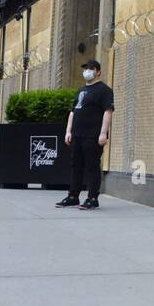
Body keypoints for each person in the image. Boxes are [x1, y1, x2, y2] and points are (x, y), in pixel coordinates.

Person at [55, 60, 113, 211]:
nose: (87, 71)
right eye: (85, 68)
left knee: (91, 166)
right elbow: (73, 112)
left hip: (92, 135)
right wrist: (68, 131)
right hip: (77, 134)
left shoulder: (104, 90)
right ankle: (73, 196)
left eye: (90, 68)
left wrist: (103, 133)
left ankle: (92, 198)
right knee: (76, 166)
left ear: (98, 71)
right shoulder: (81, 90)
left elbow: (108, 111)